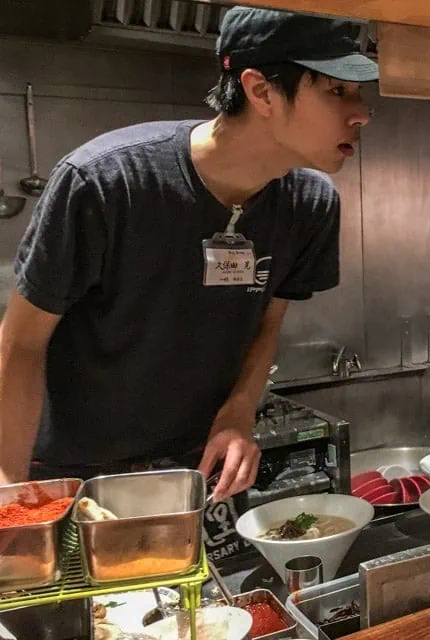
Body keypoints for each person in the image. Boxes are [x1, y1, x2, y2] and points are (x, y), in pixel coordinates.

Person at [0, 7, 376, 501]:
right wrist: (7, 481)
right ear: (261, 90)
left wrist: (237, 413)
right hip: (69, 469)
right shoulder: (107, 182)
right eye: (336, 90)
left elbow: (267, 320)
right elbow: (21, 342)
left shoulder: (310, 203)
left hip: (191, 465)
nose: (362, 111)